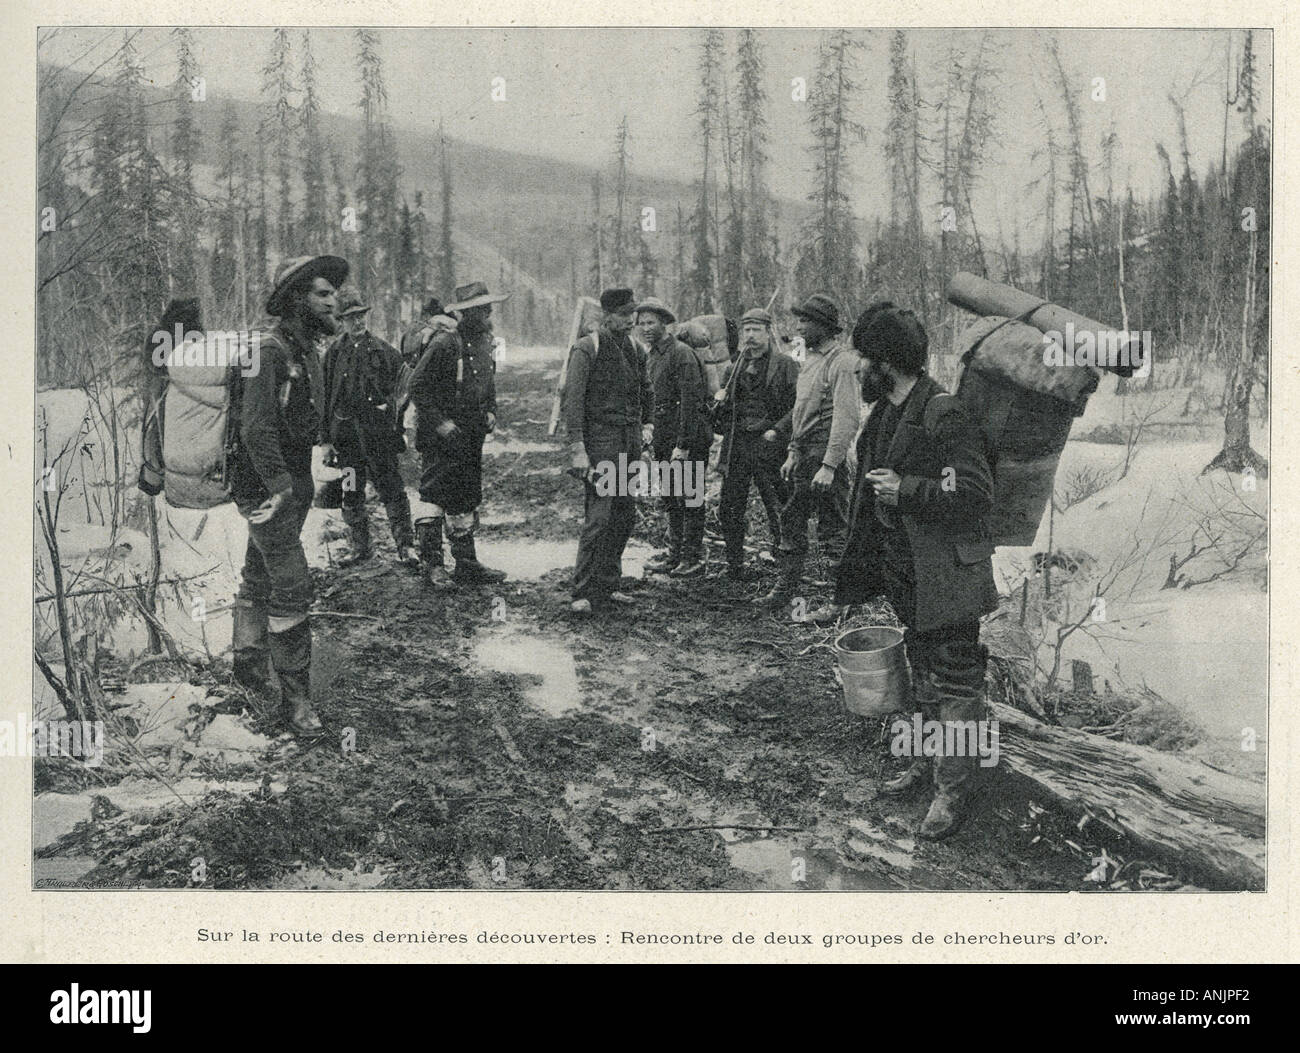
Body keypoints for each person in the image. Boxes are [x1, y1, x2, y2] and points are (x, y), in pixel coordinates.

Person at [832, 302, 999, 840]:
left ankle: (953, 794)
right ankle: (927, 767)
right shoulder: (885, 414)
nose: (857, 368)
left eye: (863, 358)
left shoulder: (943, 412)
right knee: (925, 680)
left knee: (956, 685)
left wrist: (907, 490)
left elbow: (974, 493)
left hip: (948, 578)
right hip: (910, 576)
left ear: (886, 362)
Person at [227, 254, 348, 738]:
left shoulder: (305, 351)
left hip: (291, 483)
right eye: (323, 293)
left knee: (258, 577)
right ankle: (296, 703)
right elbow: (256, 429)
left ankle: (248, 674)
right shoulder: (270, 351)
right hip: (265, 486)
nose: (333, 300)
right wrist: (279, 485)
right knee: (293, 584)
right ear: (298, 299)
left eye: (332, 293)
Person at [757, 293, 860, 611]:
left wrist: (829, 465)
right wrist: (792, 451)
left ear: (823, 327)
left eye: (805, 321)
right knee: (792, 519)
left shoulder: (841, 362)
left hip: (826, 457)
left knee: (832, 528)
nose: (798, 327)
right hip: (804, 455)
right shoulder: (811, 360)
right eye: (798, 320)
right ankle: (785, 591)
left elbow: (847, 419)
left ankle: (844, 601)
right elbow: (801, 412)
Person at [407, 281, 508, 587]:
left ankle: (466, 564)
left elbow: (487, 385)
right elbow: (417, 387)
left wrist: (491, 411)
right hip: (442, 437)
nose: (488, 312)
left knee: (465, 496)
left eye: (488, 307)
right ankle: (433, 565)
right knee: (434, 496)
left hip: (470, 434)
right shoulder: (446, 343)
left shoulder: (485, 343)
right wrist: (440, 423)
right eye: (481, 308)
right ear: (467, 313)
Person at [563, 287, 654, 614]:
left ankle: (608, 584)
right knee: (599, 517)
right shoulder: (588, 349)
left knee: (624, 515)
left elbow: (647, 393)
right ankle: (582, 591)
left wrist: (647, 432)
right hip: (601, 443)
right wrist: (578, 449)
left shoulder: (635, 349)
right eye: (625, 315)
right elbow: (573, 403)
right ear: (607, 315)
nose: (632, 321)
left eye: (634, 314)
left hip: (629, 442)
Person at [319, 288, 416, 568]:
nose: (357, 323)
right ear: (341, 321)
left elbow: (405, 387)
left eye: (360, 317)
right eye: (350, 319)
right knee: (350, 490)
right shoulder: (334, 354)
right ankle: (360, 547)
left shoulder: (384, 351)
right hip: (347, 440)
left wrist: (393, 417)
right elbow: (324, 400)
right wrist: (325, 441)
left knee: (391, 488)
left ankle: (405, 545)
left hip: (378, 436)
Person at [712, 307, 798, 580]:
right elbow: (723, 417)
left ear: (767, 332)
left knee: (778, 506)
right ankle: (735, 566)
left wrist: (777, 430)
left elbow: (798, 408)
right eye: (746, 330)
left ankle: (785, 565)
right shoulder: (733, 368)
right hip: (738, 446)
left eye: (755, 330)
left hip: (770, 446)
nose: (750, 335)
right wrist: (720, 402)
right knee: (730, 506)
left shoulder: (785, 365)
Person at [637, 297, 712, 578]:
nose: (645, 328)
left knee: (690, 497)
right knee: (671, 496)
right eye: (641, 323)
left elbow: (691, 402)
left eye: (651, 322)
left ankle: (693, 558)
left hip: (688, 438)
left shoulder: (681, 353)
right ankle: (675, 555)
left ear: (664, 324)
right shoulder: (653, 355)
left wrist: (683, 445)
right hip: (665, 437)